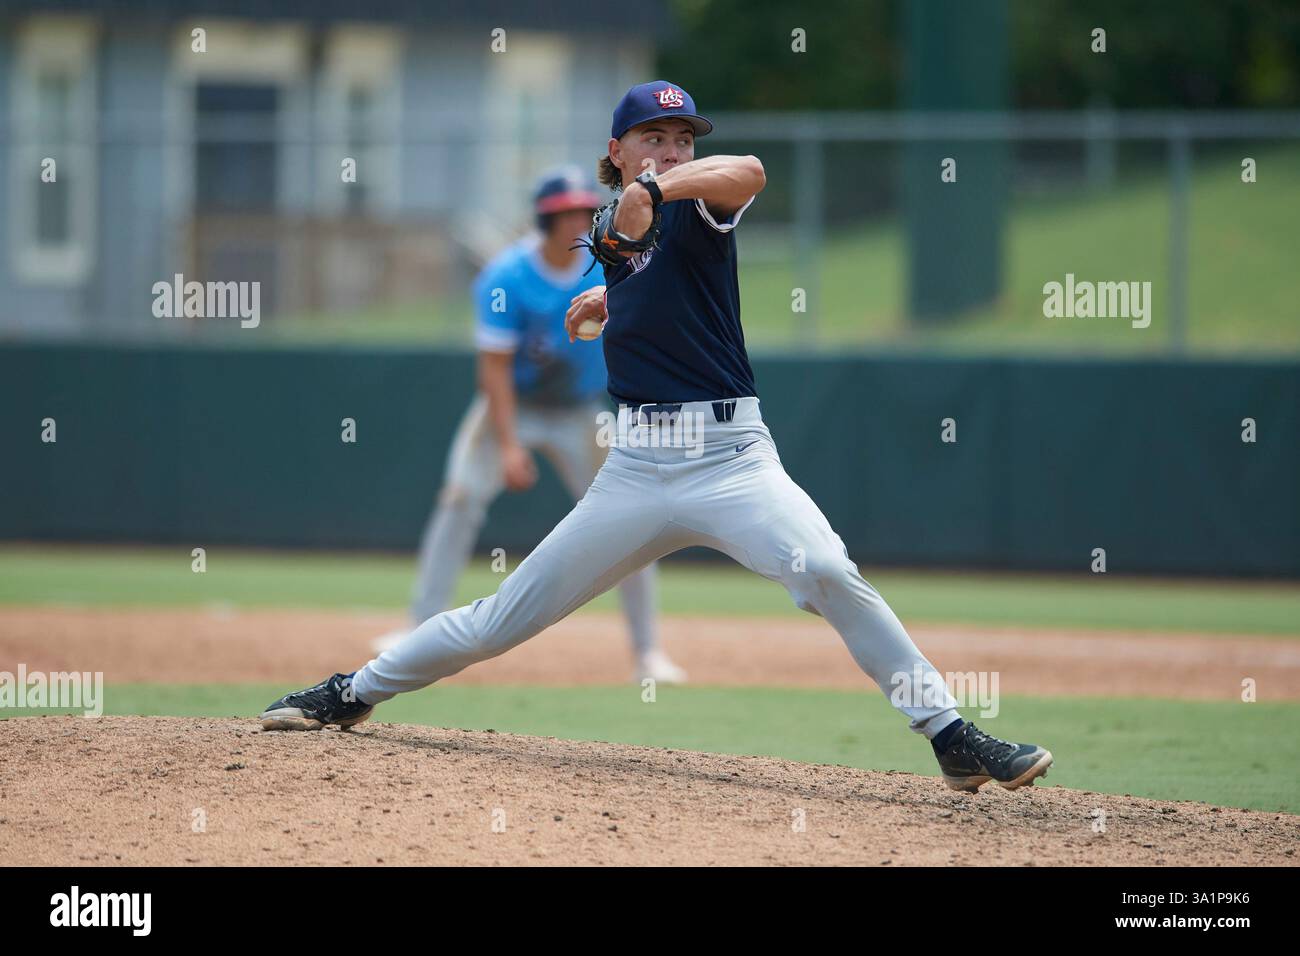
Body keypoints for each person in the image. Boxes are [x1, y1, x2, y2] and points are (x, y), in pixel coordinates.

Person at [261, 81, 1053, 794]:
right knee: (505, 618)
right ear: (615, 148)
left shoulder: (692, 199)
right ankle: (352, 692)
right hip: (636, 469)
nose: (673, 148)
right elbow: (640, 265)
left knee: (824, 568)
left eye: (682, 137)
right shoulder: (615, 226)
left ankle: (951, 735)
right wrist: (606, 301)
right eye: (654, 137)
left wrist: (657, 185)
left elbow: (748, 172)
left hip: (732, 459)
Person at [372, 165, 684, 685]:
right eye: (567, 213)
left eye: (586, 210)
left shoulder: (607, 264)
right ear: (545, 219)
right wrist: (510, 445)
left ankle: (647, 651)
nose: (579, 220)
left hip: (580, 410)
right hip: (512, 406)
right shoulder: (505, 277)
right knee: (459, 498)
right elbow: (493, 369)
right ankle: (418, 625)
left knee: (635, 516)